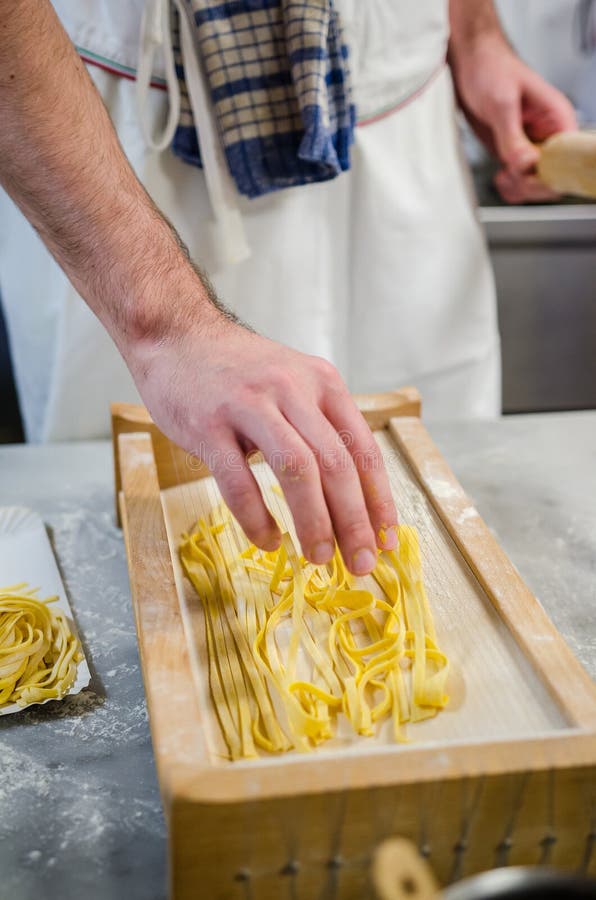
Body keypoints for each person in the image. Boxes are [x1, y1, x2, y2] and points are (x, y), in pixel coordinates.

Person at [0, 0, 576, 575]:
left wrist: (475, 35)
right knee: (143, 556)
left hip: (402, 106)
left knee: (434, 530)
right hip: (114, 138)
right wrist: (164, 325)